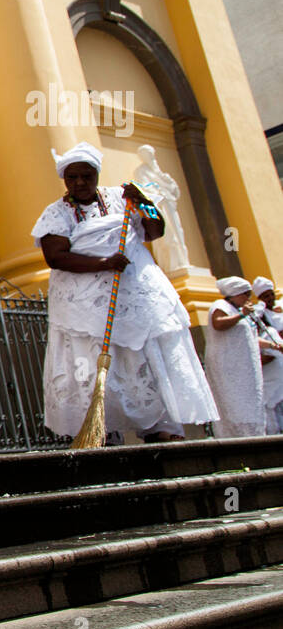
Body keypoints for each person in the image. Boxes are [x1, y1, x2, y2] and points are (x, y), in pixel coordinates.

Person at [32, 141, 217, 443]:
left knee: (143, 358)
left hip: (135, 297)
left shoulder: (122, 198)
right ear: (65, 179)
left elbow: (154, 231)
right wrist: (103, 262)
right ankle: (103, 432)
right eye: (72, 177)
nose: (80, 182)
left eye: (86, 176)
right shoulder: (56, 213)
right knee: (96, 364)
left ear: (96, 174)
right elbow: (55, 257)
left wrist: (144, 201)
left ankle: (161, 428)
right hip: (85, 307)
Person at [205, 276, 269, 438]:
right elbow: (218, 323)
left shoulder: (240, 311)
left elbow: (249, 338)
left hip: (245, 369)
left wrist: (273, 345)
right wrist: (242, 314)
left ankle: (254, 436)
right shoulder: (221, 306)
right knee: (235, 406)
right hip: (229, 369)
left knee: (251, 405)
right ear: (234, 293)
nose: (248, 298)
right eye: (245, 294)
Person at [252, 276, 283, 432]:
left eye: (271, 294)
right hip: (274, 367)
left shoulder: (280, 310)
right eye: (265, 296)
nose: (270, 298)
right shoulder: (262, 317)